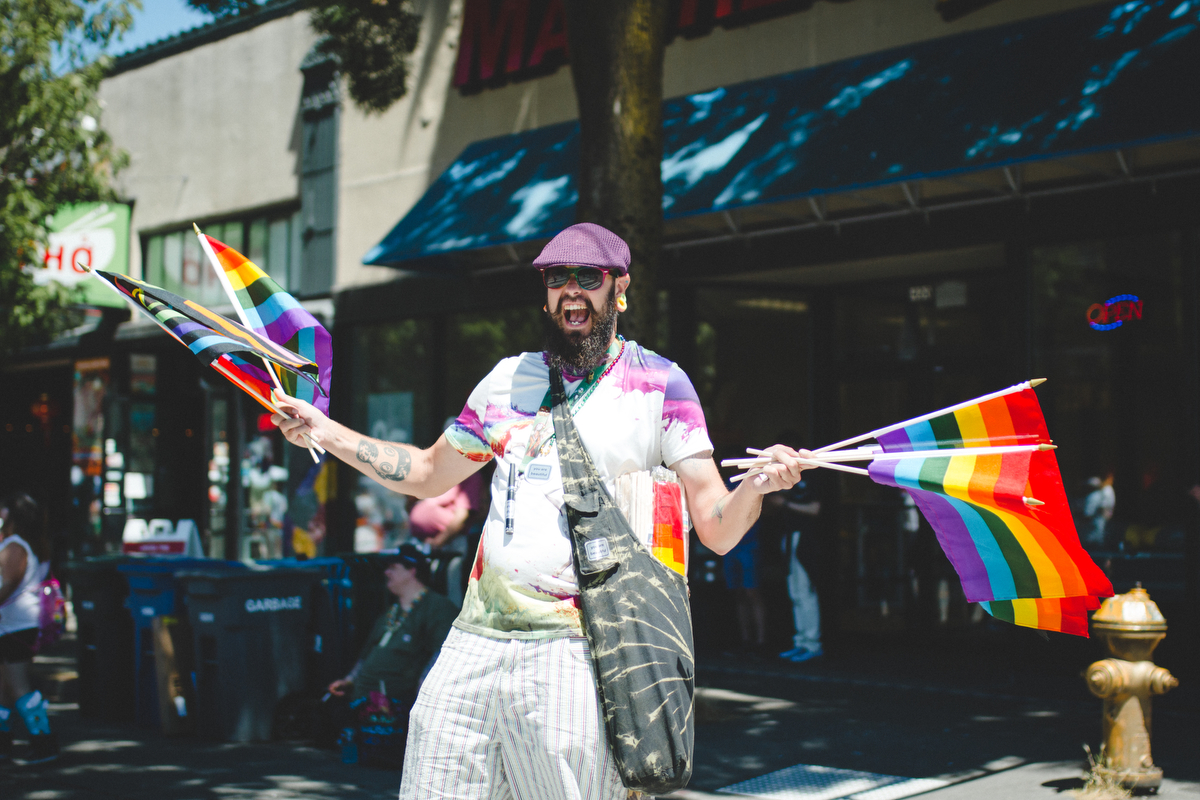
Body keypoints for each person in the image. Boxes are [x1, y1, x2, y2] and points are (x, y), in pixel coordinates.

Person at [272, 222, 808, 799]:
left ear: (618, 288)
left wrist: (755, 487)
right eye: (558, 278)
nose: (571, 290)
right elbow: (428, 473)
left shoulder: (660, 384)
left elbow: (716, 528)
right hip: (473, 641)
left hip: (577, 649)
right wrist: (326, 432)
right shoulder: (508, 380)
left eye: (588, 277)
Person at [0, 492, 58, 763]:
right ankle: (4, 742)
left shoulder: (14, 546)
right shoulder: (32, 545)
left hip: (14, 625)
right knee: (5, 687)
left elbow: (6, 585)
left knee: (19, 685)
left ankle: (43, 743)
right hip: (20, 624)